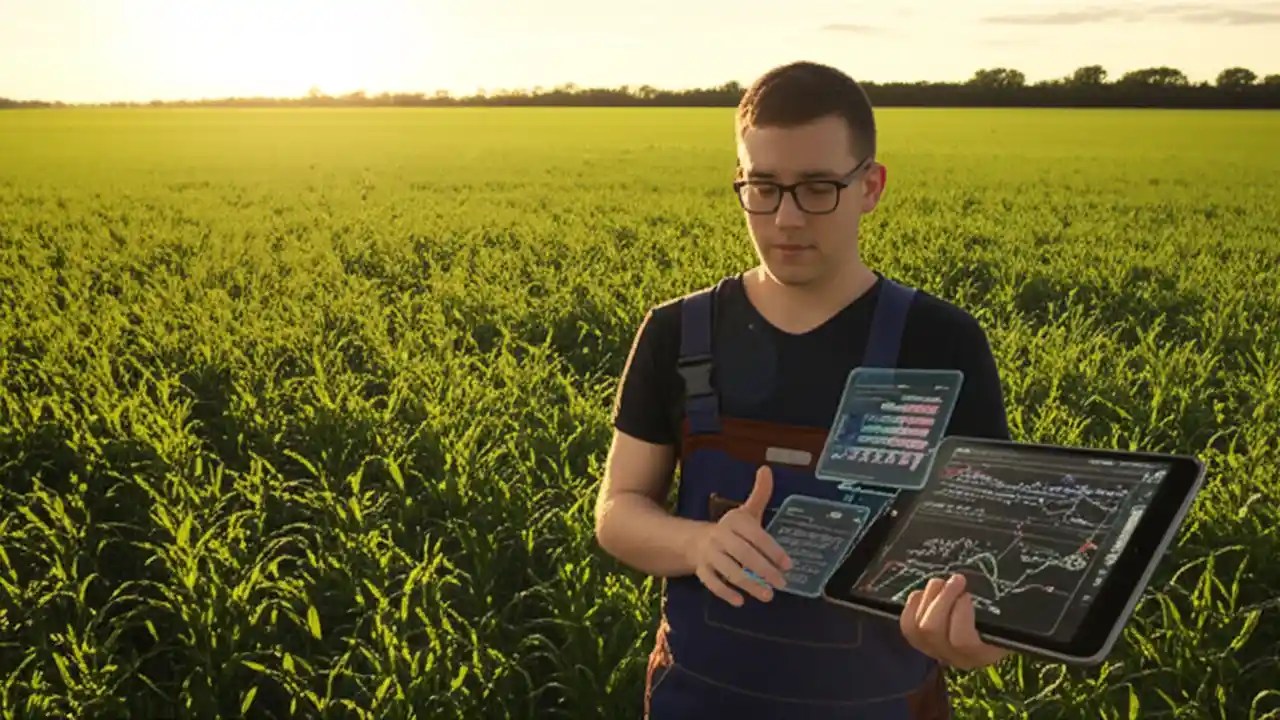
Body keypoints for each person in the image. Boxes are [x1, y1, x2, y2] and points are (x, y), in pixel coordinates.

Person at [593, 60, 1016, 719]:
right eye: (762, 187)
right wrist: (697, 543)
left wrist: (973, 641)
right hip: (699, 701)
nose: (786, 218)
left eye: (818, 188)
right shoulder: (678, 333)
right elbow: (618, 510)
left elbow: (991, 565)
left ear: (871, 186)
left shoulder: (942, 343)